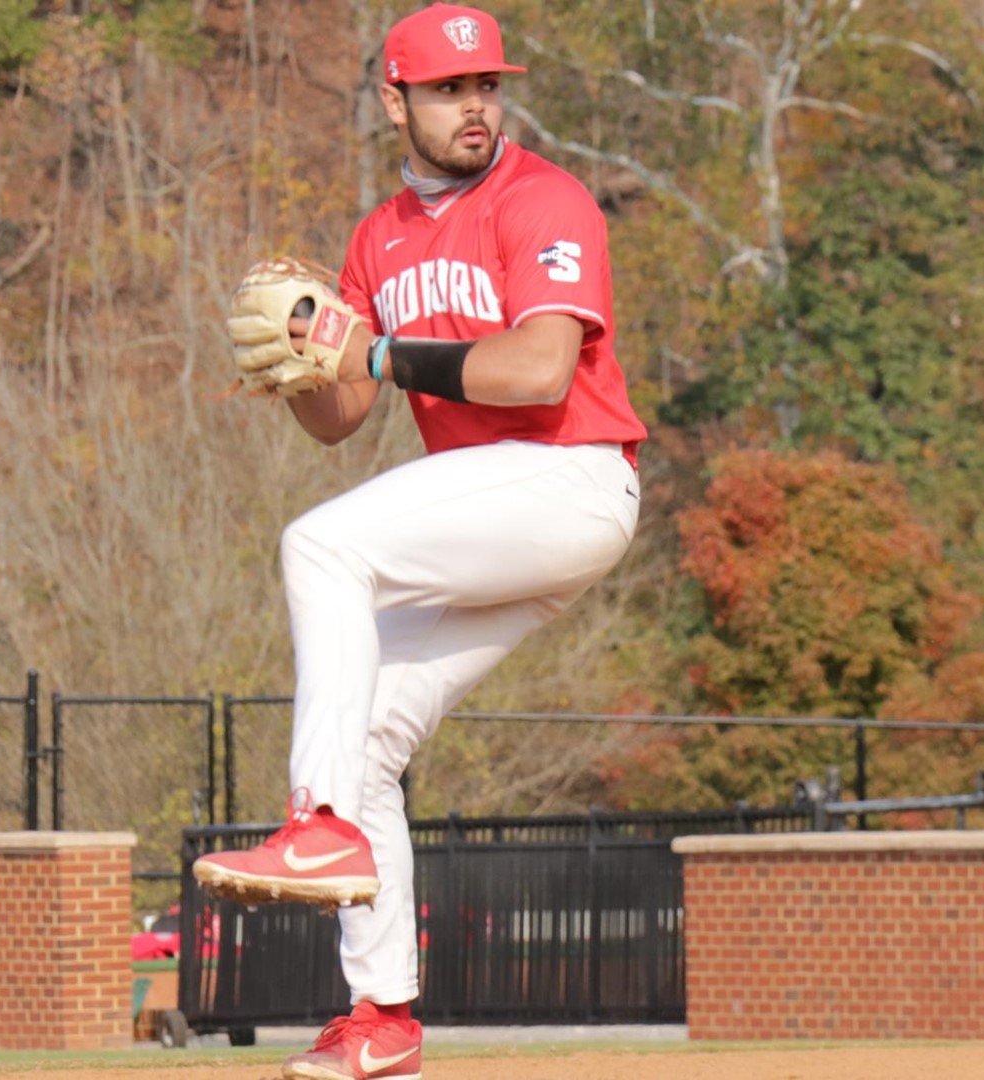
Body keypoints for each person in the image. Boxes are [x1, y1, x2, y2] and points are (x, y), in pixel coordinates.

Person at [193, 4, 645, 1078]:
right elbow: (343, 414)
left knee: (322, 547)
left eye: (486, 84)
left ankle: (321, 824)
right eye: (448, 89)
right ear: (396, 101)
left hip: (571, 479)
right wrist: (298, 366)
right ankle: (381, 1015)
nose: (475, 104)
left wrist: (381, 353)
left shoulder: (545, 199)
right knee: (373, 735)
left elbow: (538, 373)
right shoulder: (378, 238)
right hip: (484, 512)